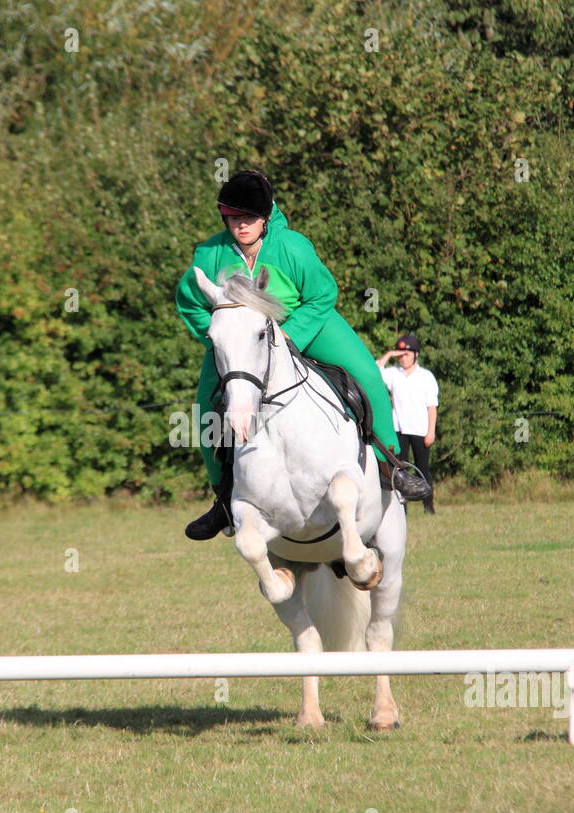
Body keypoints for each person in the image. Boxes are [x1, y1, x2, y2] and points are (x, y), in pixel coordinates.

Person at [174, 169, 431, 540]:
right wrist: (224, 340)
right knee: (204, 407)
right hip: (243, 344)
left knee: (368, 374)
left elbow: (323, 293)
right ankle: (224, 499)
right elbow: (189, 302)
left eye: (249, 218)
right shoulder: (209, 254)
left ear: (265, 218)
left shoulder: (293, 246)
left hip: (306, 323)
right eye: (233, 219)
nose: (241, 226)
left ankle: (392, 464)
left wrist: (287, 336)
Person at [377, 334, 438, 514]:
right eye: (401, 355)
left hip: (420, 429)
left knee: (422, 468)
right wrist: (389, 354)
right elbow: (375, 371)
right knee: (400, 469)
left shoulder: (426, 376)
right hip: (399, 429)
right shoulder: (393, 374)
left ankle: (428, 506)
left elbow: (432, 406)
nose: (404, 358)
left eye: (407, 354)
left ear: (416, 355)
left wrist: (431, 431)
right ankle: (402, 509)